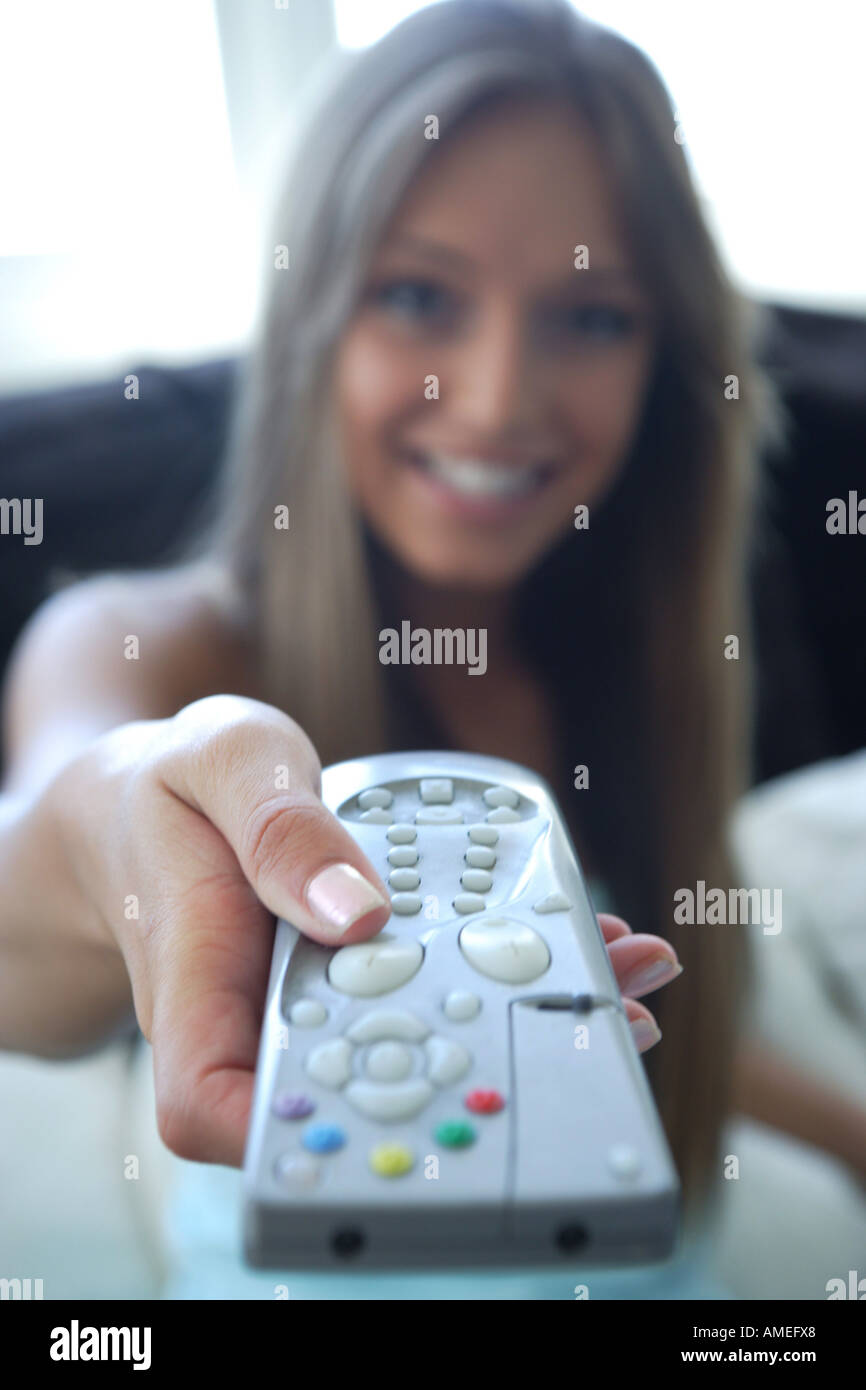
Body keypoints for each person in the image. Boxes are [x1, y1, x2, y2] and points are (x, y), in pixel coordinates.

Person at [0, 0, 785, 1297]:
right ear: (310, 318)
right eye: (417, 296)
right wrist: (126, 820)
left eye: (589, 317)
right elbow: (35, 879)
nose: (490, 399)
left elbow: (617, 998)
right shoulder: (157, 645)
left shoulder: (646, 657)